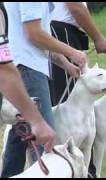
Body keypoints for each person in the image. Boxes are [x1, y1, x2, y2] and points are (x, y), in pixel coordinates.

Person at [2, 2, 87, 177]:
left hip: (24, 66)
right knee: (46, 144)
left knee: (20, 137)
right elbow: (35, 35)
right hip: (28, 68)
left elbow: (39, 34)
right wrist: (73, 52)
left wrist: (65, 63)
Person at [0, 2, 55, 152]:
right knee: (47, 149)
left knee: (18, 136)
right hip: (28, 64)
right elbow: (4, 69)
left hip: (25, 63)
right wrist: (37, 120)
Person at [49, 2, 106, 106]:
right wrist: (98, 38)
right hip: (61, 32)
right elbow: (75, 7)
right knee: (67, 100)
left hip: (62, 31)